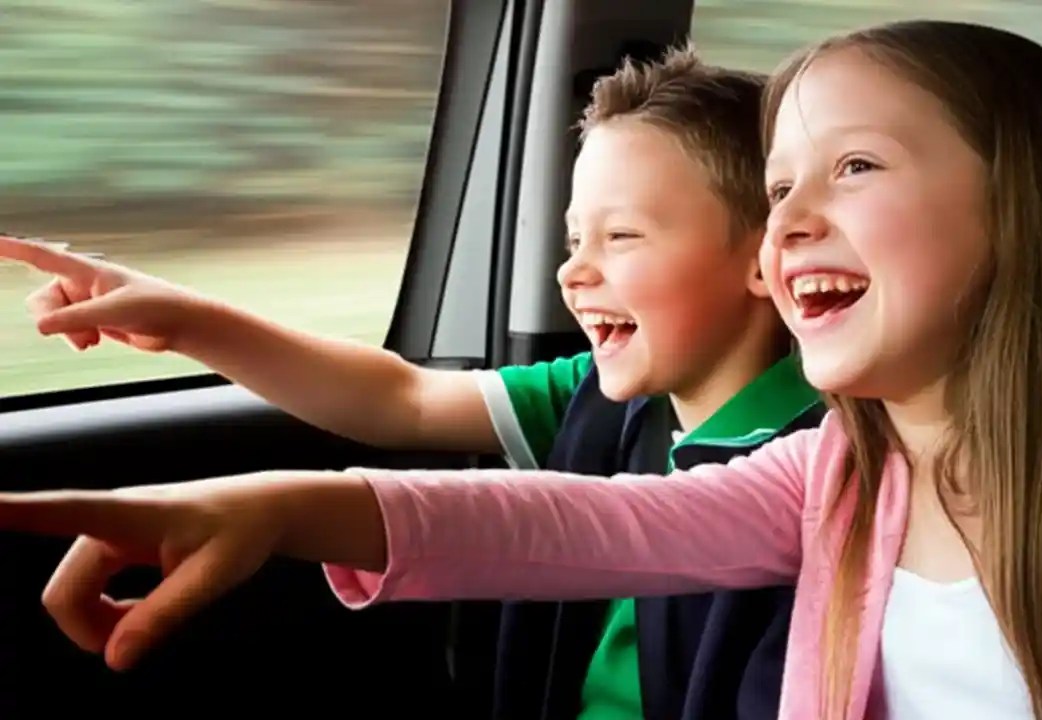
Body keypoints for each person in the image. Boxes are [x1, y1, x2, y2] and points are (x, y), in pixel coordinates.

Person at [3, 19, 1042, 720]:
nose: (789, 220)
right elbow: (589, 526)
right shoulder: (847, 467)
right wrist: (284, 507)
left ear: (1027, 210)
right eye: (778, 186)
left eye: (855, 168)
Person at [0, 47, 822, 720]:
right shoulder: (605, 402)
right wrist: (188, 323)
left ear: (763, 259)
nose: (574, 271)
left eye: (623, 236)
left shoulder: (829, 454)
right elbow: (398, 398)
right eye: (574, 237)